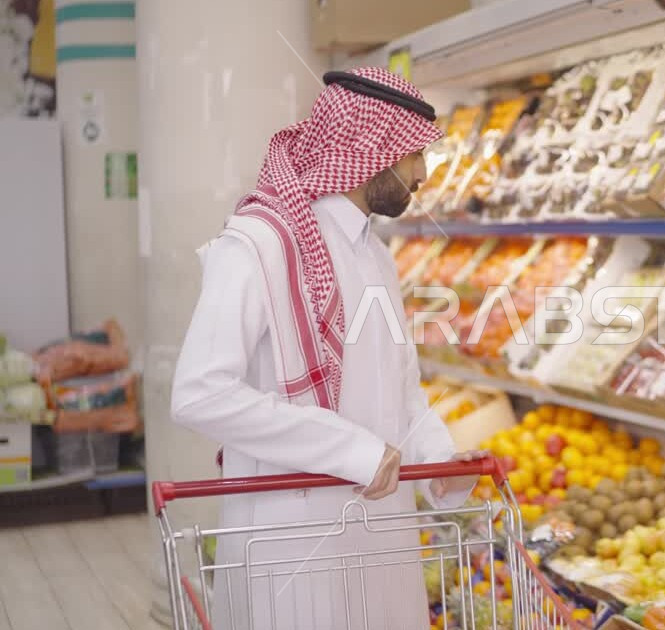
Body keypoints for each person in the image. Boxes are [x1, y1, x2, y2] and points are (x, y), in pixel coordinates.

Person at [171, 67, 480, 630]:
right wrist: (349, 450)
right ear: (369, 149)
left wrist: (438, 460)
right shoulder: (258, 245)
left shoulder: (375, 256)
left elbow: (400, 387)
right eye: (414, 154)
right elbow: (200, 394)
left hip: (382, 532)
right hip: (291, 537)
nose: (423, 174)